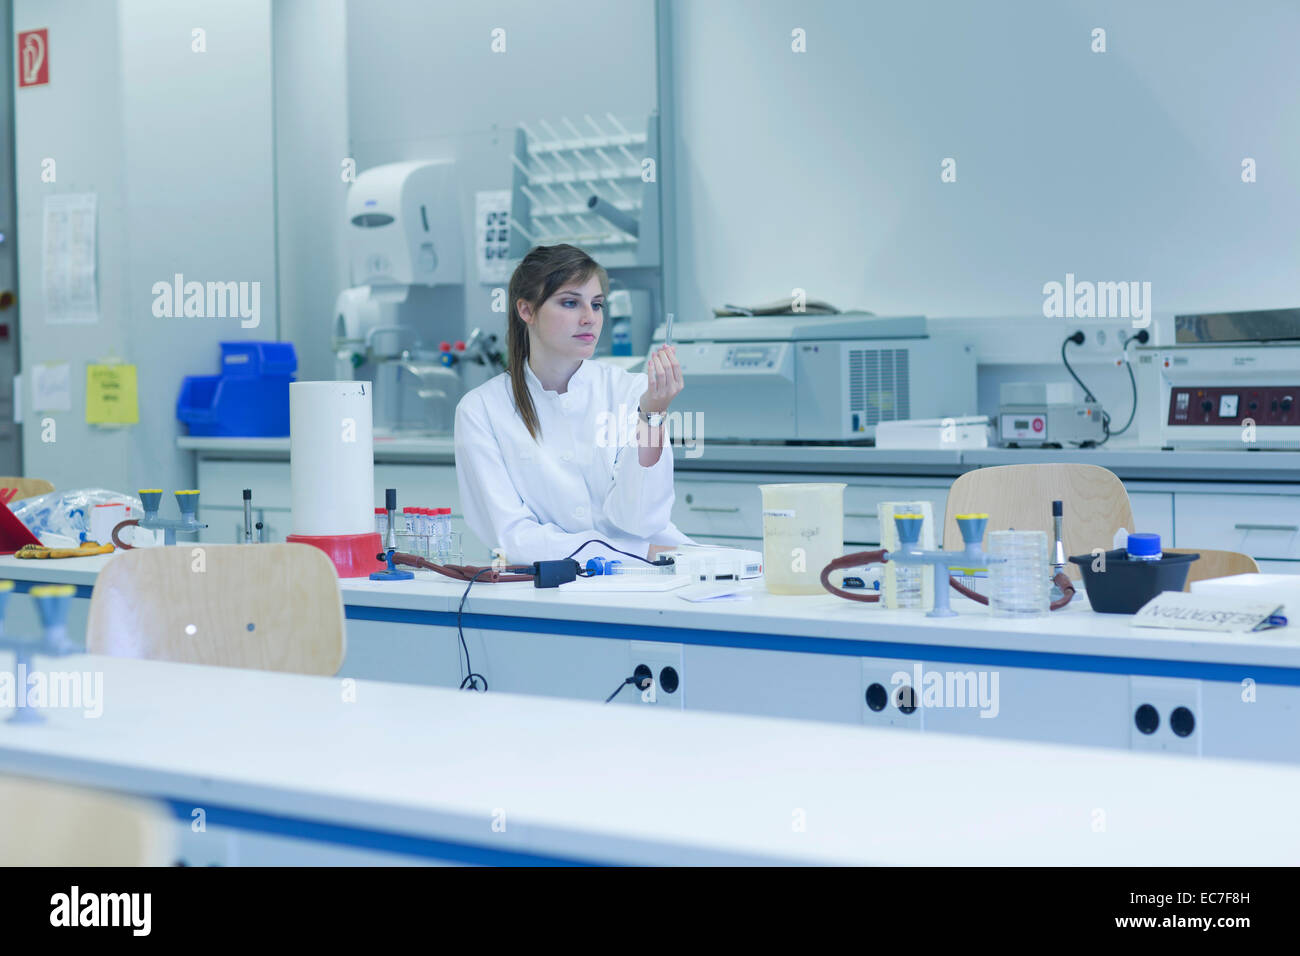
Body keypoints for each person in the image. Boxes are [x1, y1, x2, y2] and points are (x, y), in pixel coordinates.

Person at [454, 244, 690, 565]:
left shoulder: (631, 391)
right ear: (526, 310)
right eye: (570, 303)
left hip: (655, 575)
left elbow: (641, 521)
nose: (589, 319)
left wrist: (653, 417)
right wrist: (633, 554)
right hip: (566, 584)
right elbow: (513, 539)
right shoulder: (481, 410)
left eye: (596, 305)